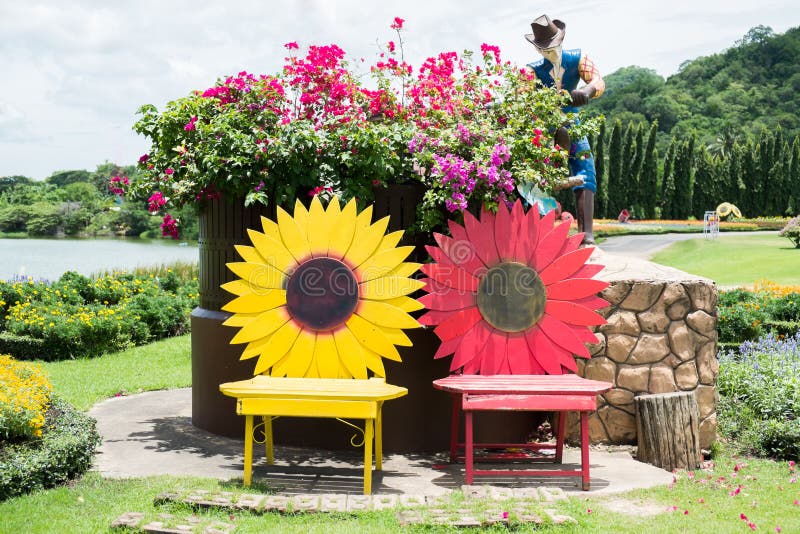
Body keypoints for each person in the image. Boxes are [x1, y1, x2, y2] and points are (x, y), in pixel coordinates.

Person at [524, 14, 605, 245]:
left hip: (572, 121)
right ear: (538, 50)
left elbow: (598, 80)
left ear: (561, 41)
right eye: (544, 49)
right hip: (544, 126)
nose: (550, 52)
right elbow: (522, 99)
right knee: (534, 172)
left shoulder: (578, 58)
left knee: (585, 165)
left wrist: (587, 92)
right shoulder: (532, 71)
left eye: (552, 47)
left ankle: (587, 233)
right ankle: (536, 233)